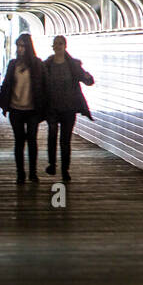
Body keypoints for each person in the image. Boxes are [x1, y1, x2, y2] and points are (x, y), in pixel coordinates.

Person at [43, 35, 96, 182]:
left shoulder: (72, 65)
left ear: (65, 46)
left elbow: (87, 80)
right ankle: (52, 164)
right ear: (53, 47)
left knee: (65, 139)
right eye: (56, 44)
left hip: (68, 108)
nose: (58, 46)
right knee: (52, 134)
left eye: (60, 44)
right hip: (52, 107)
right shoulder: (47, 64)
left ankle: (65, 169)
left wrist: (88, 77)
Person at [0, 33, 46, 184]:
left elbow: (44, 86)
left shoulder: (37, 65)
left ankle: (32, 172)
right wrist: (4, 105)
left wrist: (44, 108)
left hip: (32, 109)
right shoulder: (13, 64)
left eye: (22, 46)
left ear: (28, 47)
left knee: (32, 139)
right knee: (19, 141)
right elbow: (6, 84)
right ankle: (20, 173)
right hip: (15, 108)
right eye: (18, 46)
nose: (19, 49)